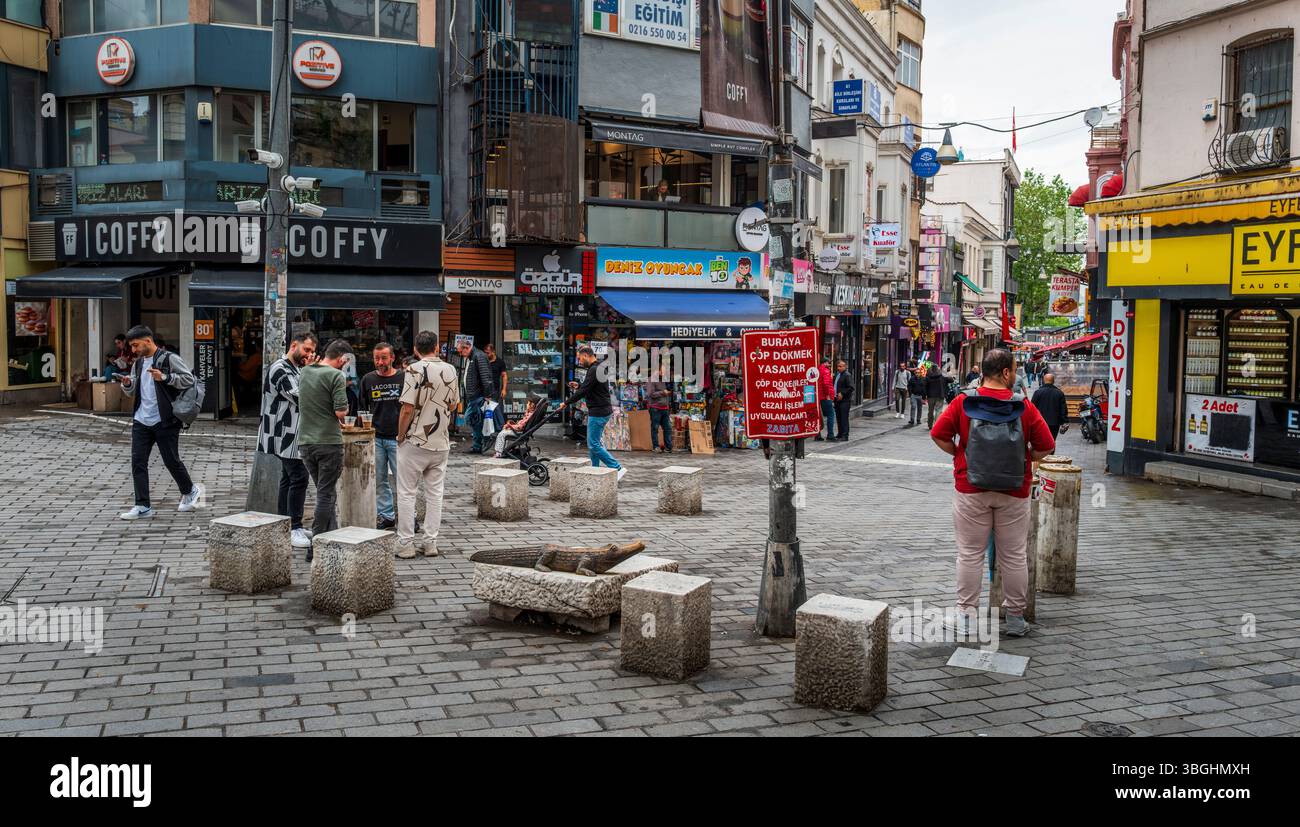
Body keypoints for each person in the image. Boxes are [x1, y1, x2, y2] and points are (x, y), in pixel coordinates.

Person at [930, 348, 1055, 638]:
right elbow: (1046, 445)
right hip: (1014, 490)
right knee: (1013, 556)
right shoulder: (1024, 406)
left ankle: (966, 618)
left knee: (970, 554)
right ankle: (1014, 619)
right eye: (1014, 369)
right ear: (1007, 373)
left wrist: (961, 456)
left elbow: (938, 434)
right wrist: (1026, 460)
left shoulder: (963, 402)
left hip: (971, 488)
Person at [114, 325, 203, 520]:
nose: (134, 350)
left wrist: (165, 377)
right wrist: (127, 384)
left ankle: (190, 490)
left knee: (171, 460)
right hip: (141, 419)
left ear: (148, 340)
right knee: (138, 462)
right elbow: (134, 390)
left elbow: (188, 380)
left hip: (165, 420)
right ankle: (142, 505)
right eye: (132, 347)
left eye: (136, 345)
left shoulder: (169, 358)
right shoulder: (137, 364)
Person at [396, 330, 459, 559]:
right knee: (435, 494)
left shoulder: (413, 369)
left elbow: (407, 408)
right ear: (437, 347)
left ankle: (405, 544)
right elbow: (453, 406)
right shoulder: (450, 369)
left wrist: (400, 435)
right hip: (440, 442)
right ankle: (430, 542)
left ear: (415, 349)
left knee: (406, 493)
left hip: (414, 440)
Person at [257, 331, 319, 549]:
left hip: (291, 432)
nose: (309, 354)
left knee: (288, 478)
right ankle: (294, 527)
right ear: (294, 345)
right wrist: (313, 371)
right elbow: (301, 396)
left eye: (312, 351)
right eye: (306, 350)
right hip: (283, 433)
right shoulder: (280, 368)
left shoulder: (295, 368)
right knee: (299, 477)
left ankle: (287, 523)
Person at [297, 338, 352, 555]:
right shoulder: (337, 375)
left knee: (325, 492)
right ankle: (317, 543)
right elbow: (341, 412)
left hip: (306, 442)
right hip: (328, 441)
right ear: (342, 359)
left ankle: (333, 536)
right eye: (347, 362)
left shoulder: (306, 371)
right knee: (325, 494)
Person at [558, 345, 625, 480]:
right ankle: (595, 470)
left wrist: (566, 402)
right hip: (601, 410)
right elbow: (590, 387)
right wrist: (578, 386)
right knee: (593, 444)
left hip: (599, 411)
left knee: (593, 444)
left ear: (586, 355)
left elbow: (584, 391)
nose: (579, 362)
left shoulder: (594, 369)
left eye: (580, 359)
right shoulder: (597, 368)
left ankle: (617, 468)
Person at [360, 342, 404, 530]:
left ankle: (409, 516)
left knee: (403, 481)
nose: (379, 362)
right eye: (376, 358)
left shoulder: (404, 378)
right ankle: (386, 516)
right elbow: (362, 408)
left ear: (392, 358)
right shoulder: (367, 379)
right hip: (376, 438)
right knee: (379, 480)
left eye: (384, 358)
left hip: (398, 438)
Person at [456, 339, 497, 455]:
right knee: (476, 421)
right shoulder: (471, 357)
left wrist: (488, 395)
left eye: (460, 352)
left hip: (478, 396)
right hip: (474, 395)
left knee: (469, 418)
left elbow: (486, 377)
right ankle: (477, 446)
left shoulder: (479, 356)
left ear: (466, 348)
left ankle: (487, 438)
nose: (460, 354)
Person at [1031, 371, 1071, 441]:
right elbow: (1063, 409)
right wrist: (1064, 421)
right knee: (1052, 440)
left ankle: (1044, 451)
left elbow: (1032, 408)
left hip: (1040, 422)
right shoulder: (1059, 393)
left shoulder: (1038, 392)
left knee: (1042, 440)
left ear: (1044, 380)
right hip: (1054, 423)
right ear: (1053, 381)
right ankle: (1051, 451)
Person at [646, 364, 674, 453]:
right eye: (662, 371)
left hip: (665, 408)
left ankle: (668, 447)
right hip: (655, 408)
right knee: (655, 427)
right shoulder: (651, 380)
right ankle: (656, 446)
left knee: (668, 428)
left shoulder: (664, 380)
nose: (664, 372)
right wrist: (663, 392)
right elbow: (651, 394)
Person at [484, 343, 509, 429]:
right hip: (484, 389)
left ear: (493, 351)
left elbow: (504, 375)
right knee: (488, 409)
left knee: (494, 406)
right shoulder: (484, 361)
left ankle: (501, 426)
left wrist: (504, 389)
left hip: (494, 389)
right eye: (485, 353)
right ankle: (490, 428)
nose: (487, 354)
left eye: (488, 353)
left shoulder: (500, 362)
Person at [833, 359, 853, 441]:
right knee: (839, 417)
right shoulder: (838, 375)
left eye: (841, 366)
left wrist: (842, 393)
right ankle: (840, 433)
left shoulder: (847, 375)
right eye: (838, 366)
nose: (839, 368)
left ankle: (845, 435)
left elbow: (851, 387)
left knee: (844, 418)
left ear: (845, 367)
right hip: (837, 399)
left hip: (845, 400)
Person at [816, 359, 836, 441]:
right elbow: (826, 383)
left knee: (818, 416)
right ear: (825, 363)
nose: (829, 364)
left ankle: (817, 434)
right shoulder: (826, 371)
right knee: (831, 415)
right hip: (825, 396)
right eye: (828, 363)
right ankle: (830, 435)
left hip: (818, 396)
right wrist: (828, 395)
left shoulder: (817, 370)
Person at [925, 361, 948, 429]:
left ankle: (930, 425)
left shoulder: (928, 376)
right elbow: (951, 380)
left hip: (930, 396)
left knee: (930, 411)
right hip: (940, 395)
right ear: (938, 368)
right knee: (938, 410)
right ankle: (936, 425)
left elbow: (925, 385)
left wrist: (924, 395)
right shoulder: (942, 375)